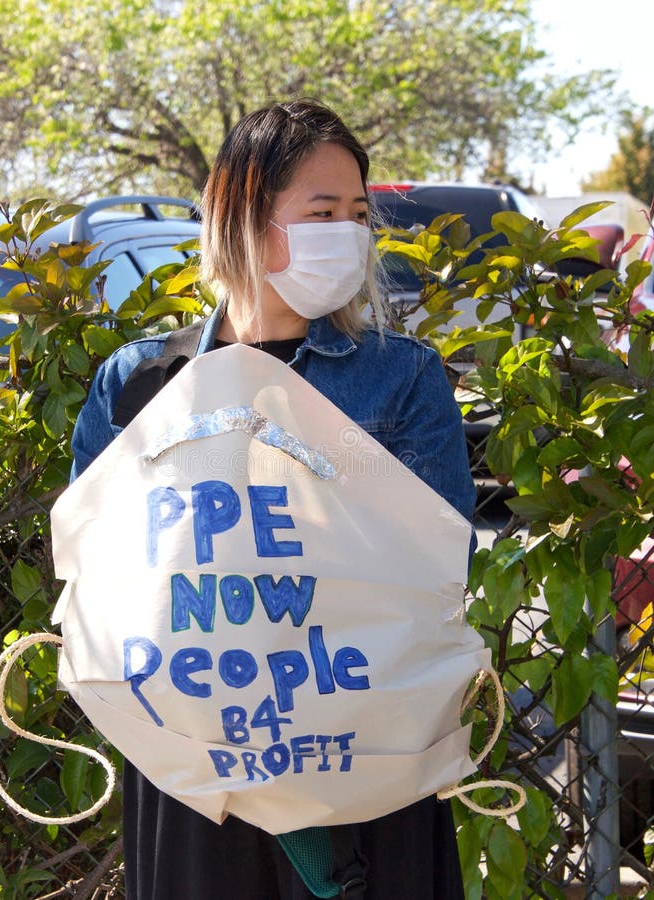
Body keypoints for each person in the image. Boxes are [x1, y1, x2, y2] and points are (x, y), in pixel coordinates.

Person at [71, 99, 476, 899]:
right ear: (239, 211)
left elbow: (441, 566)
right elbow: (97, 574)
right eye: (321, 211)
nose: (348, 233)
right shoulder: (141, 381)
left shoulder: (404, 378)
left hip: (362, 763)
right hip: (199, 777)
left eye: (358, 214)